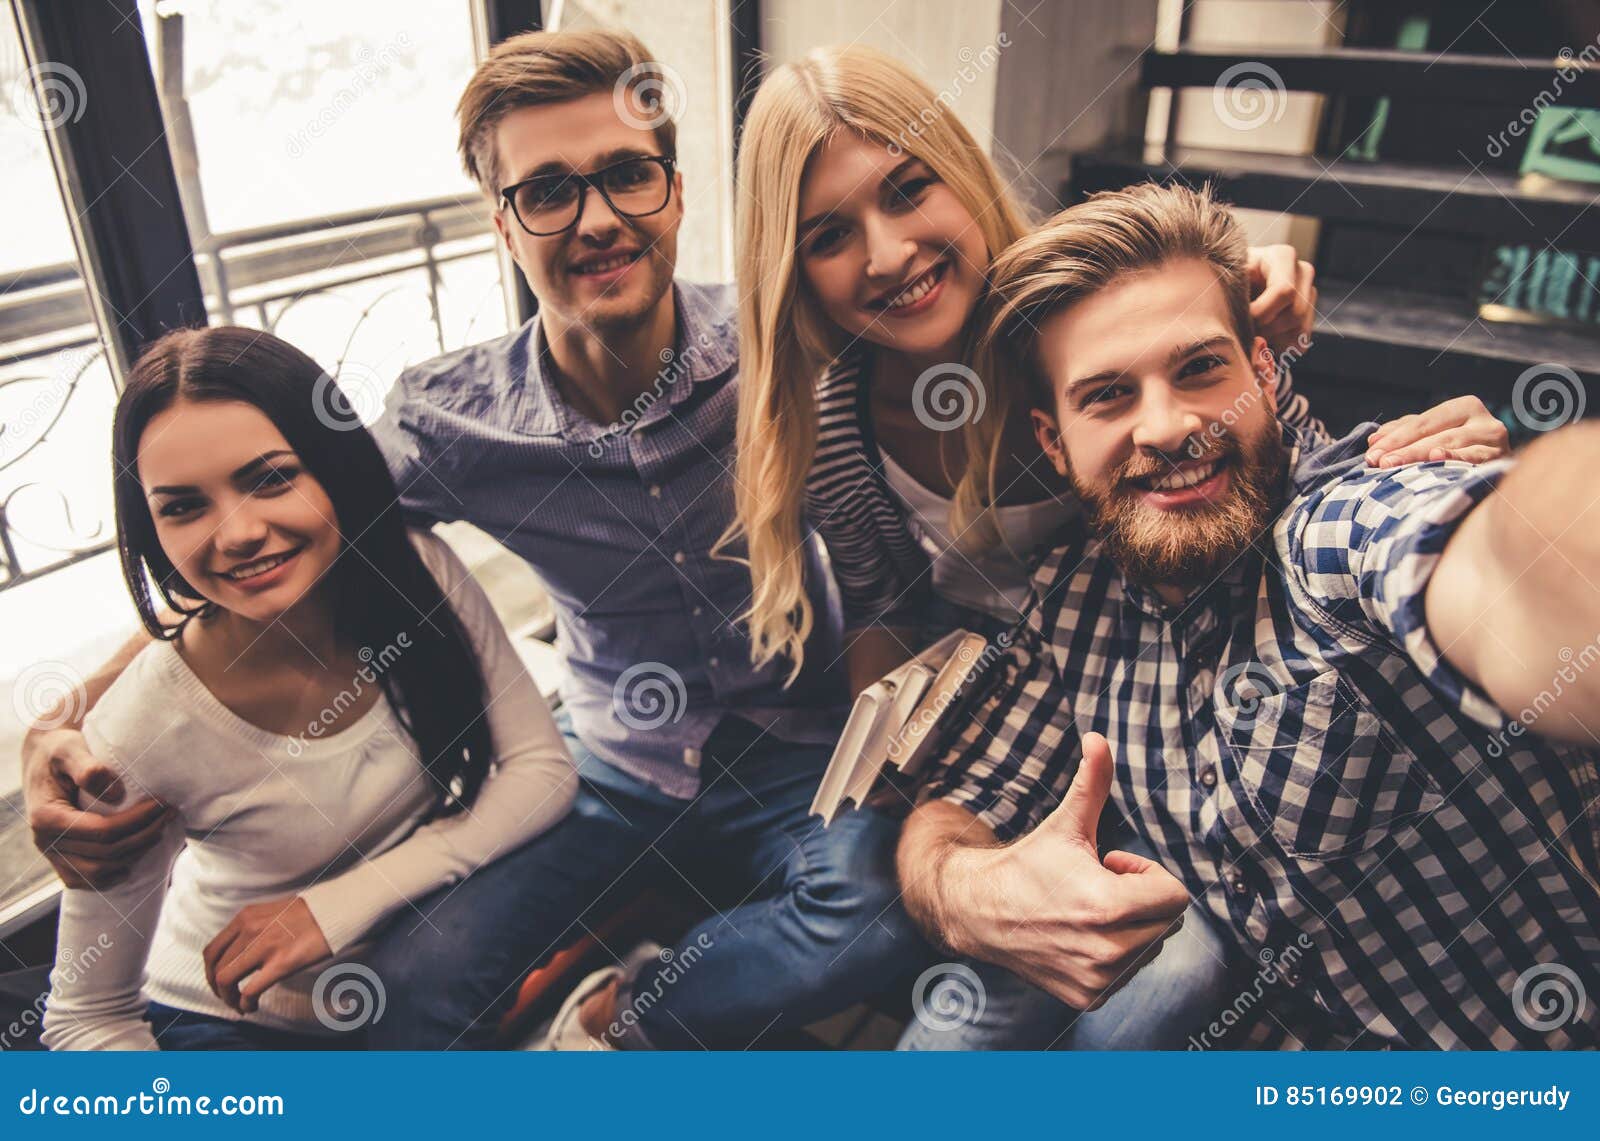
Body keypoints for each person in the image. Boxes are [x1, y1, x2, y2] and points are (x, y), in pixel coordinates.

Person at [21, 28, 923, 1051]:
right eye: (547, 192)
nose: (596, 221)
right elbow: (268, 539)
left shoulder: (786, 343)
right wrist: (69, 720)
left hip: (801, 755)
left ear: (674, 191)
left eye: (627, 176)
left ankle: (627, 1012)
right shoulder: (450, 420)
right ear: (502, 224)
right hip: (610, 767)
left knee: (880, 919)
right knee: (407, 992)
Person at [723, 44, 1513, 1048]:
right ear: (788, 263)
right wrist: (919, 787)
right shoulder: (841, 425)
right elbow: (885, 606)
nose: (885, 254)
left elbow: (1302, 484)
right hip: (1010, 722)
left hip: (1172, 723)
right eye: (829, 234)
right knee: (872, 918)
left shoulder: (1075, 319)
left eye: (908, 189)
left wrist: (1451, 479)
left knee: (1169, 970)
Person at [899, 180, 1600, 1048]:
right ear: (1053, 440)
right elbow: (957, 802)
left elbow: (1502, 563)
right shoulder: (1071, 603)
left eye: (1200, 369)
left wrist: (1549, 524)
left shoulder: (1342, 520)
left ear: (1263, 372)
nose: (1167, 425)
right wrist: (977, 897)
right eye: (1109, 395)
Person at [40, 327, 576, 1050]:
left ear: (334, 468)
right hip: (223, 1019)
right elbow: (85, 1016)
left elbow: (541, 773)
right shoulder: (137, 732)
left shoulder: (416, 570)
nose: (238, 533)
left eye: (269, 478)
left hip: (399, 978)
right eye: (183, 506)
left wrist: (331, 909)